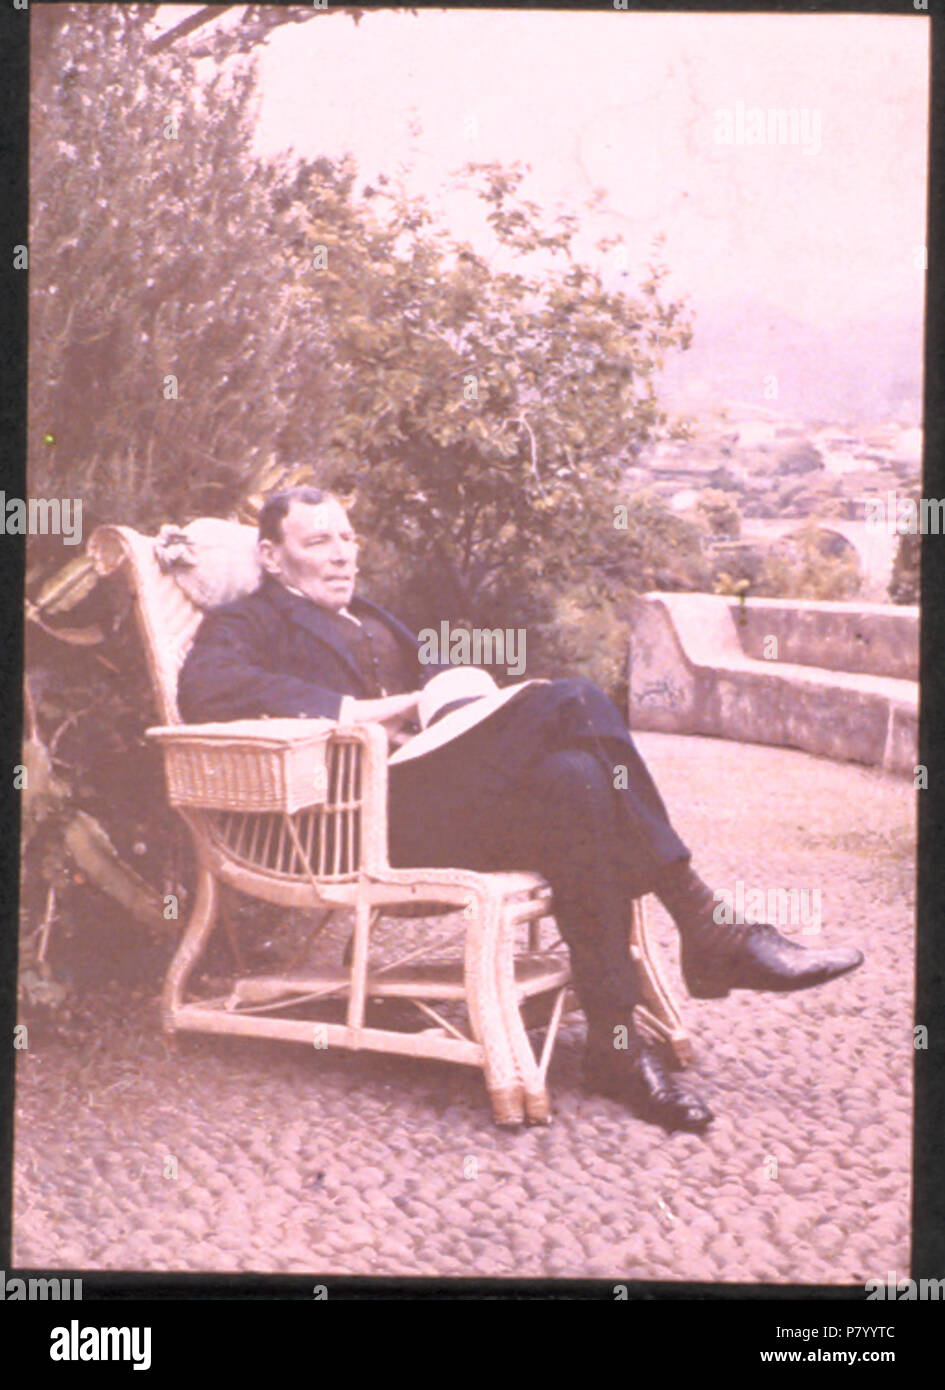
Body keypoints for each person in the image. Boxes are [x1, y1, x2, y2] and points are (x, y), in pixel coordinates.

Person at [178, 487, 864, 1133]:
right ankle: (707, 927)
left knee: (577, 783)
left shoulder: (373, 617)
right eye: (319, 540)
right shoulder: (249, 620)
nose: (342, 553)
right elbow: (208, 689)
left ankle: (614, 1047)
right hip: (357, 823)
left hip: (434, 800)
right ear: (272, 556)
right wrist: (372, 713)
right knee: (574, 698)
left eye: (348, 537)